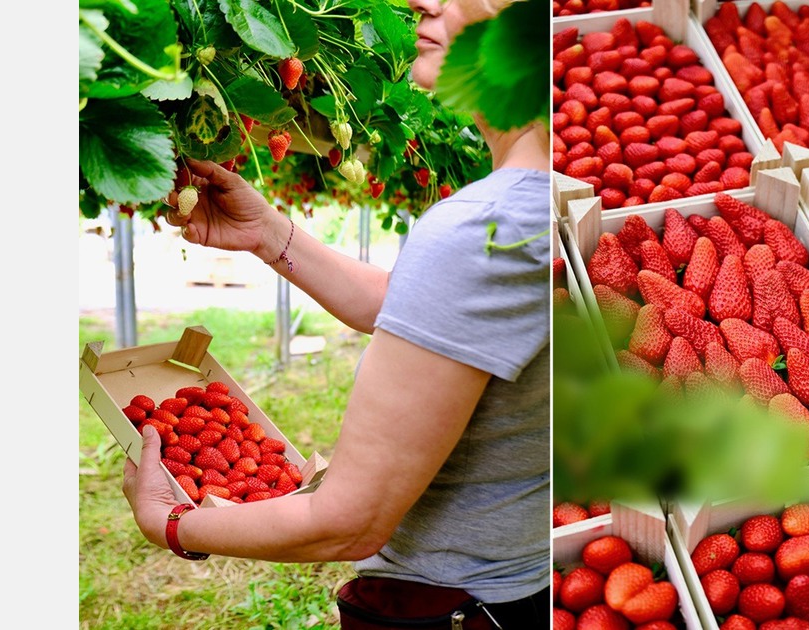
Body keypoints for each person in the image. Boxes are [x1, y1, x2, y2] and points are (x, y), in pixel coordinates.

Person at [121, 0, 551, 626]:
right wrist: (269, 234)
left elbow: (346, 525)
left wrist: (171, 521)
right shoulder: (545, 202)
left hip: (451, 605)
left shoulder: (484, 226)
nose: (419, 3)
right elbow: (428, 314)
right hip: (527, 587)